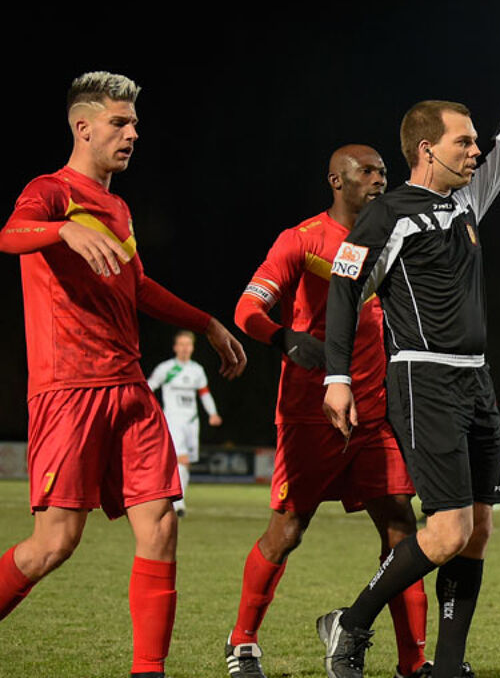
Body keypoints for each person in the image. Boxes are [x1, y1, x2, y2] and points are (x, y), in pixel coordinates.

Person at [316, 2, 500, 678]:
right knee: (448, 530)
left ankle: (447, 668)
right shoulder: (389, 214)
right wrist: (336, 377)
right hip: (422, 378)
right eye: (464, 142)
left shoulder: (464, 203)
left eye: (475, 142)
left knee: (478, 530)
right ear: (427, 148)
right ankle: (351, 621)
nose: (477, 150)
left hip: (475, 380)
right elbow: (344, 286)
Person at [0, 71, 247, 678]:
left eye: (134, 123)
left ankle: (148, 671)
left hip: (130, 388)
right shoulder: (51, 191)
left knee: (161, 524)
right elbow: (9, 236)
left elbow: (136, 286)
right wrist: (63, 228)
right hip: (69, 389)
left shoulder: (118, 205)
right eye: (120, 122)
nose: (133, 132)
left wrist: (208, 323)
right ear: (83, 127)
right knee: (54, 543)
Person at [226, 145, 429, 678]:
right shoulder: (302, 240)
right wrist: (284, 337)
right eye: (367, 172)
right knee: (288, 530)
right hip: (310, 413)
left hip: (375, 412)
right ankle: (242, 641)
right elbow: (247, 308)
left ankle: (415, 662)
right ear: (336, 181)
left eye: (384, 172)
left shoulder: (396, 237)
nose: (379, 180)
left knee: (401, 528)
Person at [147, 329, 222, 517]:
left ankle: (175, 498)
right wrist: (150, 410)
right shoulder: (165, 368)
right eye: (181, 344)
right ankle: (178, 503)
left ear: (192, 348)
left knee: (185, 464)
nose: (184, 348)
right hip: (173, 419)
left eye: (188, 345)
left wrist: (212, 413)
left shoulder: (196, 370)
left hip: (192, 421)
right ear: (175, 347)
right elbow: (149, 387)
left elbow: (204, 393)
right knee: (182, 459)